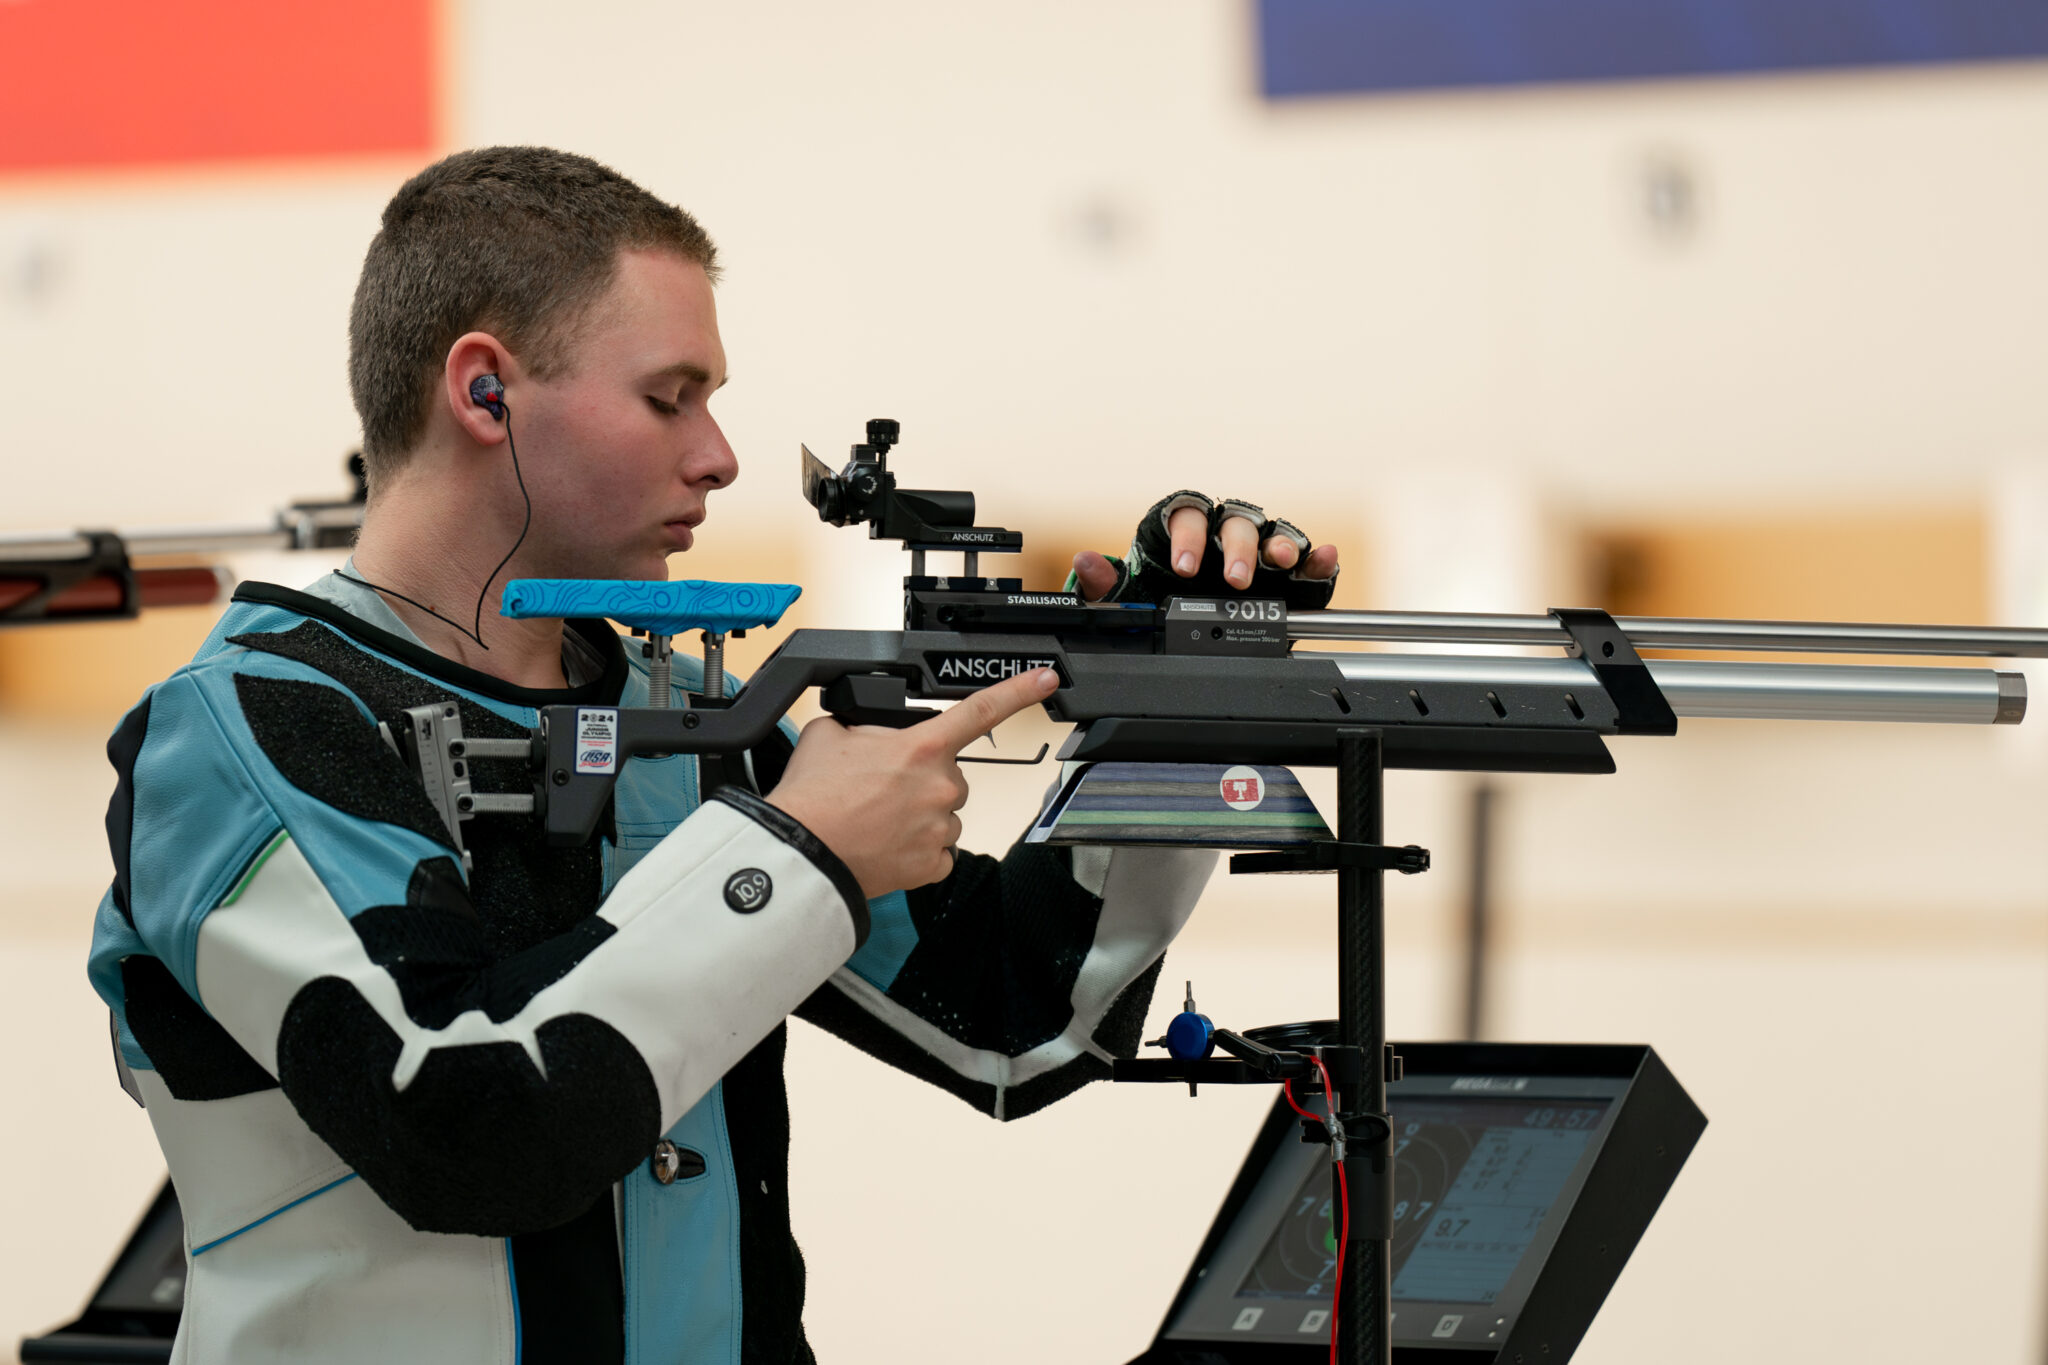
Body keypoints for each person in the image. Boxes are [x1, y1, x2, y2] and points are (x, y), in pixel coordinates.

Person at [85, 146, 1341, 1364]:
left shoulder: (672, 712)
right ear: (484, 392)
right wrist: (799, 858)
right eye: (667, 396)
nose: (719, 456)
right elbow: (464, 1119)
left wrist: (1177, 703)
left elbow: (1017, 1020)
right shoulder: (246, 729)